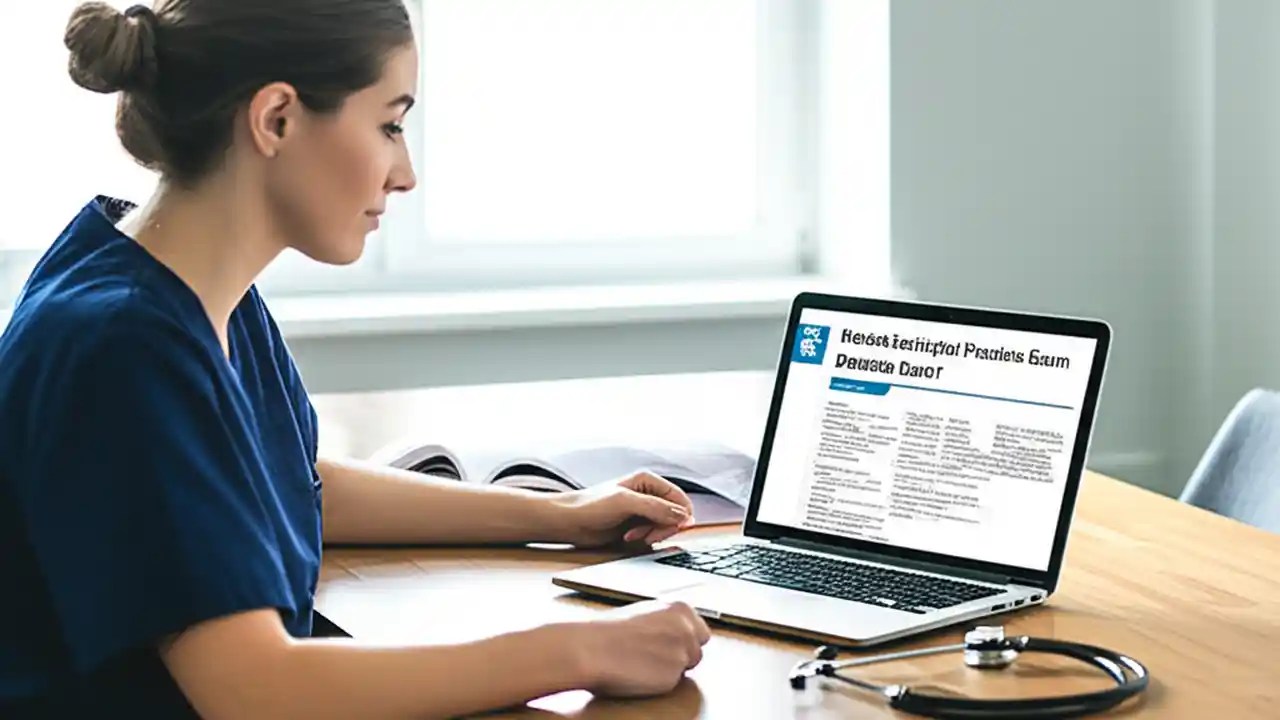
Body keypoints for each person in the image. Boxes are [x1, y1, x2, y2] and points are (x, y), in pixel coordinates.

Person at [0, 1, 710, 717]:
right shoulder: (123, 345)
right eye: (389, 125)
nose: (404, 174)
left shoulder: (185, 288)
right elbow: (254, 690)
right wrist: (578, 650)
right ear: (276, 118)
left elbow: (294, 487)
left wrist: (559, 514)